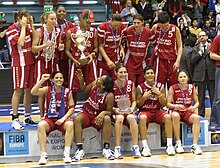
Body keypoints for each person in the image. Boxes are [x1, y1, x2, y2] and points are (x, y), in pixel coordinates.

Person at [31, 72, 74, 165]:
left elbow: (72, 108)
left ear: (63, 80)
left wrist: (63, 118)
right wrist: (42, 80)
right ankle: (43, 155)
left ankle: (66, 154)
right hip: (50, 119)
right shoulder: (48, 89)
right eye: (57, 78)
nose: (59, 79)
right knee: (41, 125)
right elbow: (33, 92)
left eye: (61, 78)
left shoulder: (67, 91)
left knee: (70, 124)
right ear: (53, 80)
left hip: (62, 119)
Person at [72, 69, 115, 161]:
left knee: (107, 118)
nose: (98, 78)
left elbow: (110, 112)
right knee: (77, 118)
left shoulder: (109, 95)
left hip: (97, 117)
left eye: (100, 79)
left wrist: (103, 113)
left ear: (103, 86)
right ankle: (79, 149)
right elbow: (83, 89)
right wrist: (81, 79)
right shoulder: (94, 84)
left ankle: (106, 148)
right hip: (87, 113)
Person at [6, 8, 37, 130]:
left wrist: (32, 25)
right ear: (19, 18)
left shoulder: (28, 27)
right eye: (25, 18)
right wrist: (24, 27)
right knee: (18, 91)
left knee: (28, 91)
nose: (27, 20)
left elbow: (35, 38)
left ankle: (27, 117)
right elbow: (20, 42)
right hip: (19, 63)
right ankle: (15, 119)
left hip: (30, 62)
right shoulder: (10, 30)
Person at [137, 66, 175, 156]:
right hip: (145, 111)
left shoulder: (160, 86)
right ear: (144, 75)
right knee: (142, 118)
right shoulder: (140, 87)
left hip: (157, 111)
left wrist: (159, 94)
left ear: (154, 75)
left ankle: (169, 145)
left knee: (168, 117)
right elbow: (138, 105)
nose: (150, 75)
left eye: (151, 73)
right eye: (148, 73)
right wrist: (144, 97)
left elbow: (164, 103)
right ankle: (145, 147)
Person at [32, 11, 63, 118]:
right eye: (52, 19)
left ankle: (54, 113)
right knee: (42, 91)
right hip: (42, 62)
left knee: (54, 89)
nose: (54, 21)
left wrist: (59, 47)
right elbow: (33, 48)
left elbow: (58, 46)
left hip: (53, 62)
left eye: (55, 19)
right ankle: (42, 116)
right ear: (46, 20)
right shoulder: (39, 31)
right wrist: (45, 45)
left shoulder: (58, 31)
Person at [167, 71, 203, 155]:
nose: (183, 79)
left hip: (187, 111)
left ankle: (194, 145)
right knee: (175, 116)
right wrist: (176, 106)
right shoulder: (173, 88)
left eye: (184, 77)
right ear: (177, 79)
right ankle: (178, 143)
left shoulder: (191, 87)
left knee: (196, 118)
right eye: (180, 77)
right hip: (177, 110)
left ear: (187, 78)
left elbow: (197, 102)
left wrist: (194, 107)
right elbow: (168, 104)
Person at [65, 9, 98, 101]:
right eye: (87, 22)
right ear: (81, 18)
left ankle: (91, 108)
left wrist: (92, 54)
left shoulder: (93, 31)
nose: (89, 25)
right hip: (76, 63)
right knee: (73, 89)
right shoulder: (70, 32)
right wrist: (74, 60)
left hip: (90, 62)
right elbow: (67, 50)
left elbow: (96, 47)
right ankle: (71, 109)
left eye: (90, 23)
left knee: (93, 86)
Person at [112, 64, 141, 159]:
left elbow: (134, 101)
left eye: (125, 72)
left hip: (128, 110)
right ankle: (117, 148)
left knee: (132, 118)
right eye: (121, 72)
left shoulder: (130, 83)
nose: (123, 74)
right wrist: (114, 109)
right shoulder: (112, 85)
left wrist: (132, 109)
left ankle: (135, 147)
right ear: (115, 73)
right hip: (117, 111)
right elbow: (108, 103)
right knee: (119, 118)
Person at [151, 11, 182, 87]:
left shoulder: (175, 29)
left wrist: (178, 61)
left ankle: (173, 99)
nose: (164, 28)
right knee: (159, 84)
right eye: (162, 26)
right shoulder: (155, 27)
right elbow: (150, 38)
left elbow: (180, 46)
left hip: (172, 60)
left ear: (169, 21)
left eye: (165, 25)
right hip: (160, 59)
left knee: (173, 84)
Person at [123, 14, 153, 87]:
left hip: (142, 63)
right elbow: (120, 42)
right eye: (134, 23)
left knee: (141, 86)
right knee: (130, 86)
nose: (136, 25)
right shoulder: (127, 31)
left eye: (138, 23)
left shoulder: (148, 32)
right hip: (130, 62)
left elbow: (154, 44)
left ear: (142, 22)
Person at [191, 31, 215, 118]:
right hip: (200, 75)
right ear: (198, 38)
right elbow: (193, 61)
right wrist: (200, 53)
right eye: (200, 36)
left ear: (207, 37)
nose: (201, 37)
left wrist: (210, 52)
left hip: (211, 74)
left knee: (213, 96)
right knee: (200, 97)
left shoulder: (212, 46)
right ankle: (201, 116)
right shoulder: (195, 48)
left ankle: (214, 116)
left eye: (203, 36)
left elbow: (215, 58)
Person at [97, 13, 126, 80]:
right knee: (104, 81)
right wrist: (108, 61)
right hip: (103, 59)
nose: (116, 27)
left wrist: (122, 49)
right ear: (111, 20)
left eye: (118, 26)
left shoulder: (123, 27)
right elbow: (100, 46)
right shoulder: (103, 27)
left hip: (116, 58)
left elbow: (120, 41)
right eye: (114, 25)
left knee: (116, 80)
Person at [56, 5, 74, 87]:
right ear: (56, 12)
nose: (62, 13)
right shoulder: (52, 24)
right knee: (56, 77)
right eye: (59, 11)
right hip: (55, 56)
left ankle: (66, 97)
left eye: (63, 11)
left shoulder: (70, 25)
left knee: (66, 77)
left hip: (66, 56)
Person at [209, 32, 220, 127]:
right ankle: (214, 122)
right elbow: (211, 55)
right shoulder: (217, 38)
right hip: (219, 69)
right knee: (218, 97)